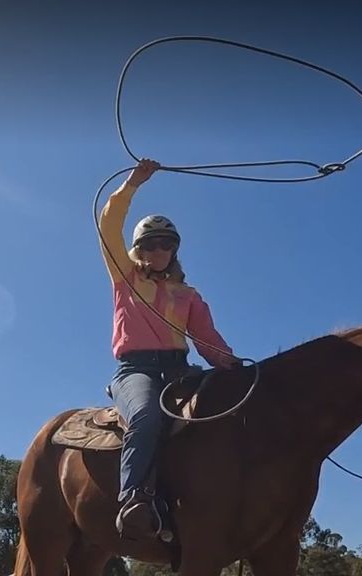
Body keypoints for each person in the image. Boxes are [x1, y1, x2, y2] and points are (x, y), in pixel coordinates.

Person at [98, 158, 239, 539]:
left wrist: (234, 366)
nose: (159, 249)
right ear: (139, 249)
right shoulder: (125, 279)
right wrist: (133, 183)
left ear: (173, 251)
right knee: (145, 416)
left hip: (181, 370)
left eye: (166, 244)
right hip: (136, 371)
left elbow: (208, 341)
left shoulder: (188, 295)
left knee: (230, 407)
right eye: (151, 243)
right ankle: (134, 498)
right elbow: (108, 224)